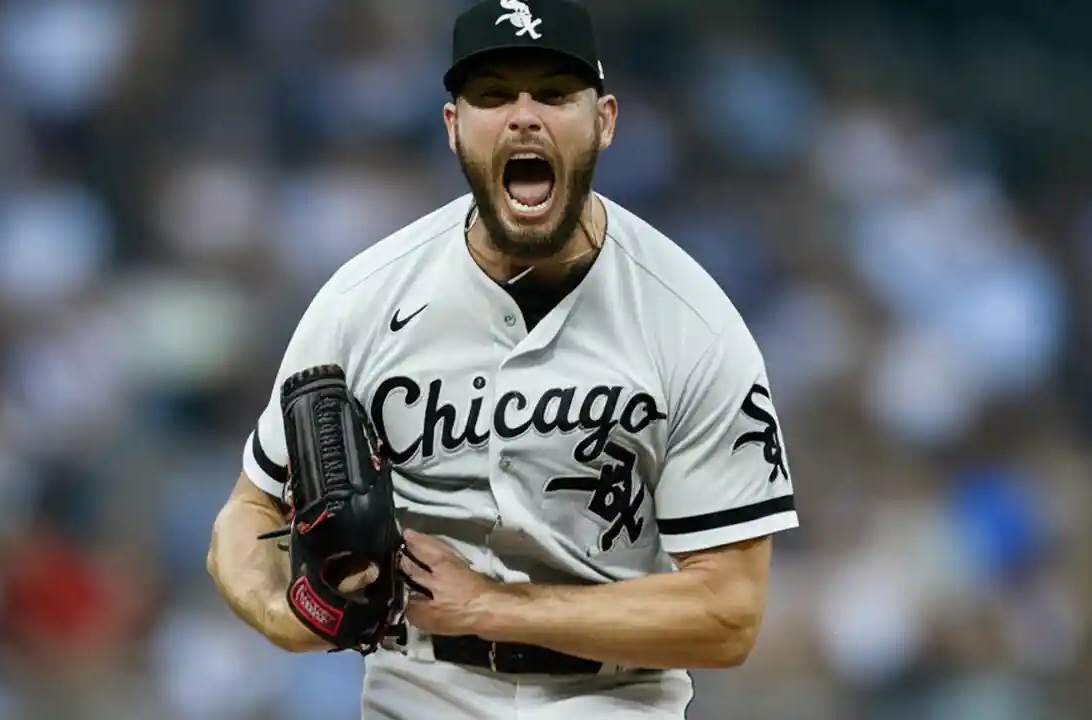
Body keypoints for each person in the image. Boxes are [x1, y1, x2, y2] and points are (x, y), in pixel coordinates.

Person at [207, 0, 800, 717]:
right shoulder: (363, 301)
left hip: (613, 695)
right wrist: (289, 612)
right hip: (415, 693)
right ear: (454, 128)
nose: (524, 117)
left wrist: (491, 607)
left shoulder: (692, 323)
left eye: (553, 94)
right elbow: (247, 511)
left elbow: (730, 612)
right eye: (493, 96)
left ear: (605, 121)